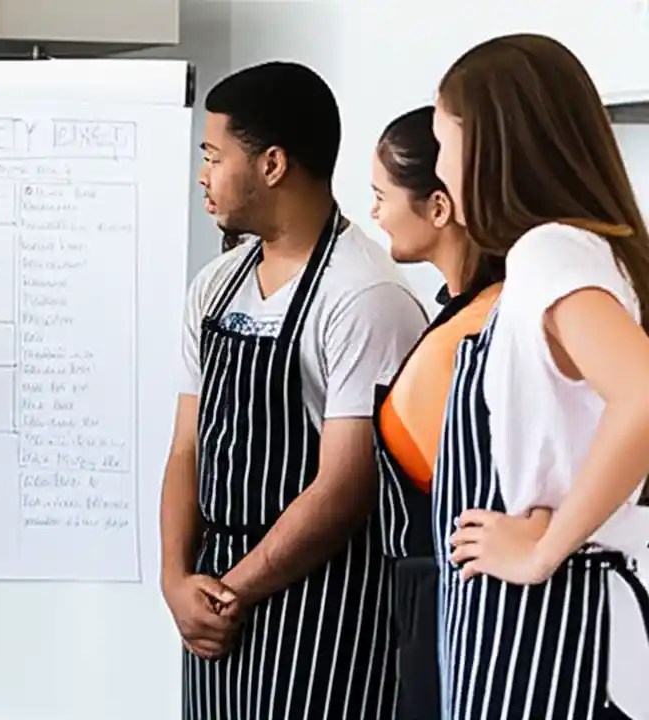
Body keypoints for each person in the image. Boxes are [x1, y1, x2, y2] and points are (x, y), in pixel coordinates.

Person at [159, 61, 427, 720]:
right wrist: (176, 583)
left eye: (215, 156)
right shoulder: (216, 285)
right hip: (215, 601)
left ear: (273, 164)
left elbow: (346, 486)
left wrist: (231, 593)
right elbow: (185, 450)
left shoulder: (364, 294)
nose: (204, 174)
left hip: (325, 603)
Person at [431, 34, 649, 718]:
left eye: (444, 143)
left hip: (550, 620)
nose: (439, 168)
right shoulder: (587, 251)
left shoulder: (548, 252)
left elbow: (643, 394)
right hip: (544, 617)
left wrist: (541, 553)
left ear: (493, 144)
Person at [368, 105, 506, 719]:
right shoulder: (460, 310)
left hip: (468, 608)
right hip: (430, 600)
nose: (373, 212)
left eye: (380, 195)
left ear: (439, 207)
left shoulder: (484, 324)